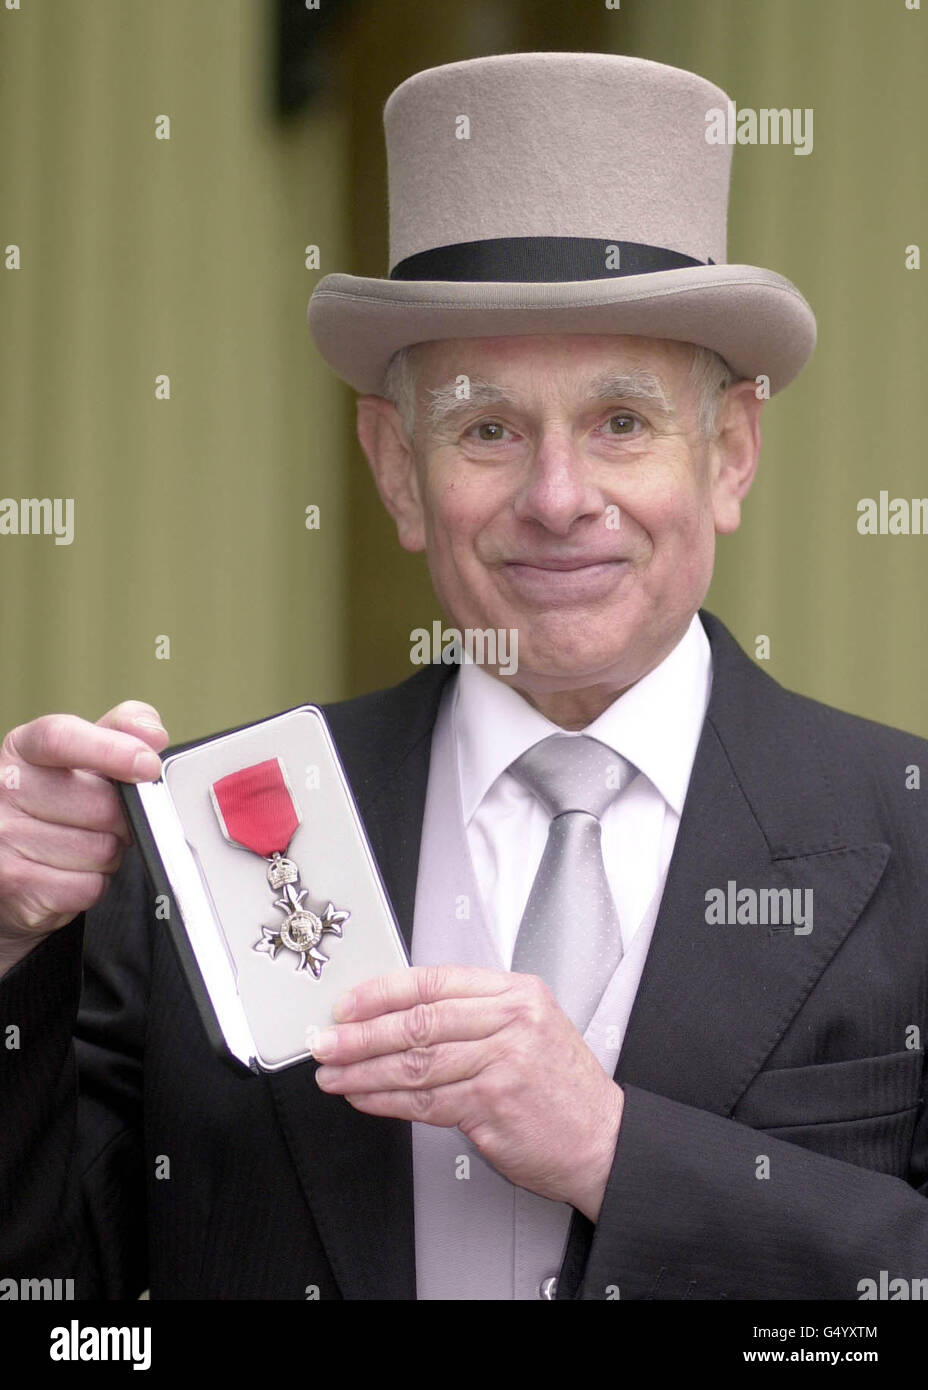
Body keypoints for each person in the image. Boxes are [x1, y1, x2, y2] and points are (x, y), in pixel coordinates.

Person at [1, 51, 926, 1302]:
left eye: (621, 422)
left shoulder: (906, 831)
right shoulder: (198, 847)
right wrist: (11, 946)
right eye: (487, 428)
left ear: (731, 451)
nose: (557, 500)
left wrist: (613, 1149)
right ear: (395, 468)